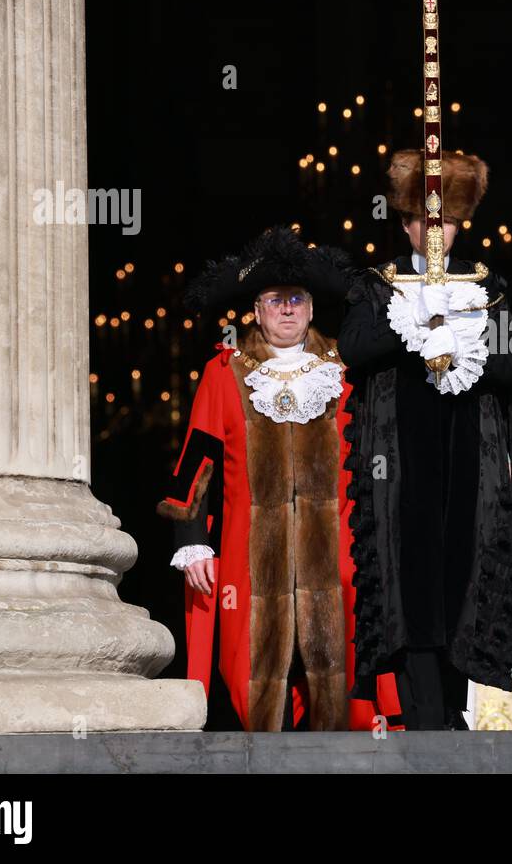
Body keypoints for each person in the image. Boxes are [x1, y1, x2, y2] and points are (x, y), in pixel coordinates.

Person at [338, 149, 512, 730]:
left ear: (460, 224)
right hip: (400, 463)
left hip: (470, 460)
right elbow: (353, 350)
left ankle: (455, 714)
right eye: (424, 222)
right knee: (411, 582)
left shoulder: (489, 286)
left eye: (447, 222)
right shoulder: (378, 284)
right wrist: (406, 320)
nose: (435, 232)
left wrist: (465, 330)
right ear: (406, 222)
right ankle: (424, 716)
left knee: (465, 574)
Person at [158, 227, 360, 731]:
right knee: (254, 679)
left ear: (312, 308)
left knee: (335, 689)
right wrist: (193, 541)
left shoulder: (345, 372)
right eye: (275, 301)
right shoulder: (225, 372)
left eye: (297, 299)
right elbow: (195, 463)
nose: (287, 310)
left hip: (334, 560)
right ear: (256, 309)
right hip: (252, 561)